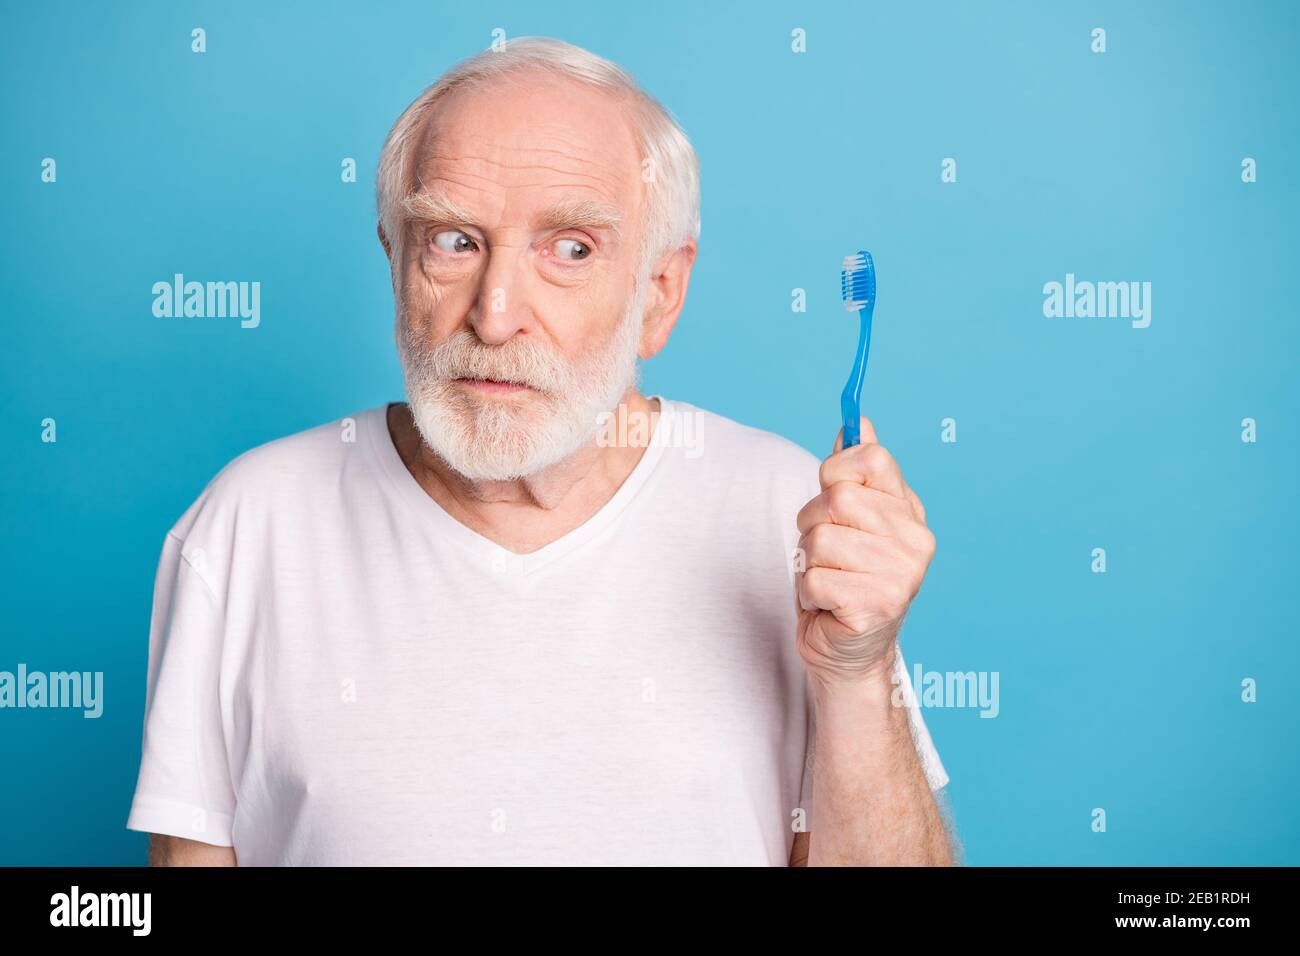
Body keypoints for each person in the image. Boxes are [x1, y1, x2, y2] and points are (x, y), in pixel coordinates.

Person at [126, 36, 953, 866]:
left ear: (658, 295)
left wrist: (855, 673)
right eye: (454, 240)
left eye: (570, 249)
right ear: (395, 260)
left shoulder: (788, 518)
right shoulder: (248, 525)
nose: (495, 314)